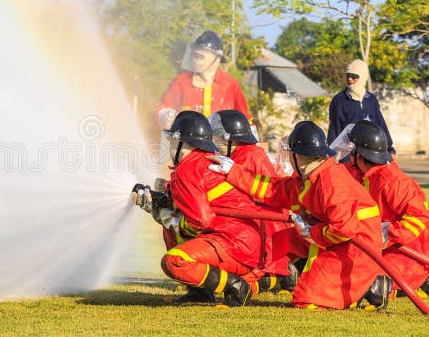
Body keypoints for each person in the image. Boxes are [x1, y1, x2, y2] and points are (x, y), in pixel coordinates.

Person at [207, 121, 387, 310]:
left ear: (299, 155)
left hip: (355, 248)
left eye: (290, 152)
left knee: (306, 301)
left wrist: (311, 232)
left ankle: (370, 286)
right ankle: (300, 279)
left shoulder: (330, 182)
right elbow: (273, 190)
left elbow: (345, 228)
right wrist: (233, 171)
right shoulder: (310, 177)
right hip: (337, 239)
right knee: (285, 240)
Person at [137, 111, 265, 307]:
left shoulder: (188, 169)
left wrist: (158, 212)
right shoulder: (199, 162)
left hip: (235, 244)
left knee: (174, 261)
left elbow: (200, 222)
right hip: (240, 241)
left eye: (172, 140)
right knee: (171, 230)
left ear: (182, 142)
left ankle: (236, 286)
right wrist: (159, 204)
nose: (169, 145)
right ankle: (199, 292)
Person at [208, 110, 296, 294]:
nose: (215, 144)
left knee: (254, 277)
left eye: (218, 139)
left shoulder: (247, 155)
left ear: (231, 139)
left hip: (264, 226)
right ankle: (283, 276)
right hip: (260, 224)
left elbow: (257, 195)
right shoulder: (242, 153)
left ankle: (282, 278)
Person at [343, 120, 429, 295]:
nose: (349, 157)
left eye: (352, 153)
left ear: (359, 155)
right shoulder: (361, 173)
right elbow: (335, 174)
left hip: (411, 253)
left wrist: (386, 233)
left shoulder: (393, 182)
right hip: (379, 249)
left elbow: (420, 217)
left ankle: (418, 281)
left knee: (368, 281)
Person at [155, 30, 250, 131]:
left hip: (220, 144)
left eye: (201, 57)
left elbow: (244, 119)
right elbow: (161, 107)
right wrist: (163, 115)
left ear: (216, 59)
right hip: (185, 143)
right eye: (195, 56)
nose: (196, 60)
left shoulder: (230, 85)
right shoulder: (181, 81)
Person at [327, 58, 395, 156]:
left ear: (363, 77)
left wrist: (389, 148)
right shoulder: (339, 100)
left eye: (354, 76)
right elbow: (334, 128)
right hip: (347, 155)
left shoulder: (371, 100)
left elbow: (380, 125)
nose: (350, 79)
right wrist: (332, 154)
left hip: (370, 154)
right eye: (348, 76)